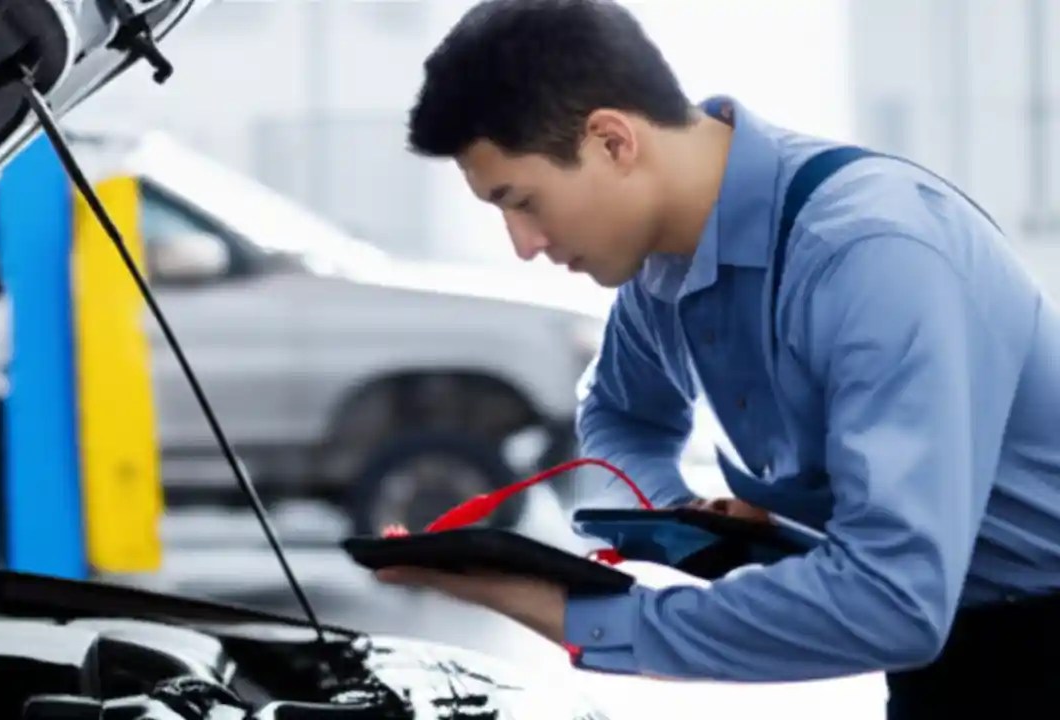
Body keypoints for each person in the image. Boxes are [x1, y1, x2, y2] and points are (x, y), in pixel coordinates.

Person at [373, 0, 1060, 715]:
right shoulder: (658, 273)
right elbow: (619, 415)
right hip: (946, 653)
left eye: (522, 201)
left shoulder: (875, 257)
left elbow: (891, 601)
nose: (523, 244)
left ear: (612, 141)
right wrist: (677, 522)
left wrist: (570, 610)